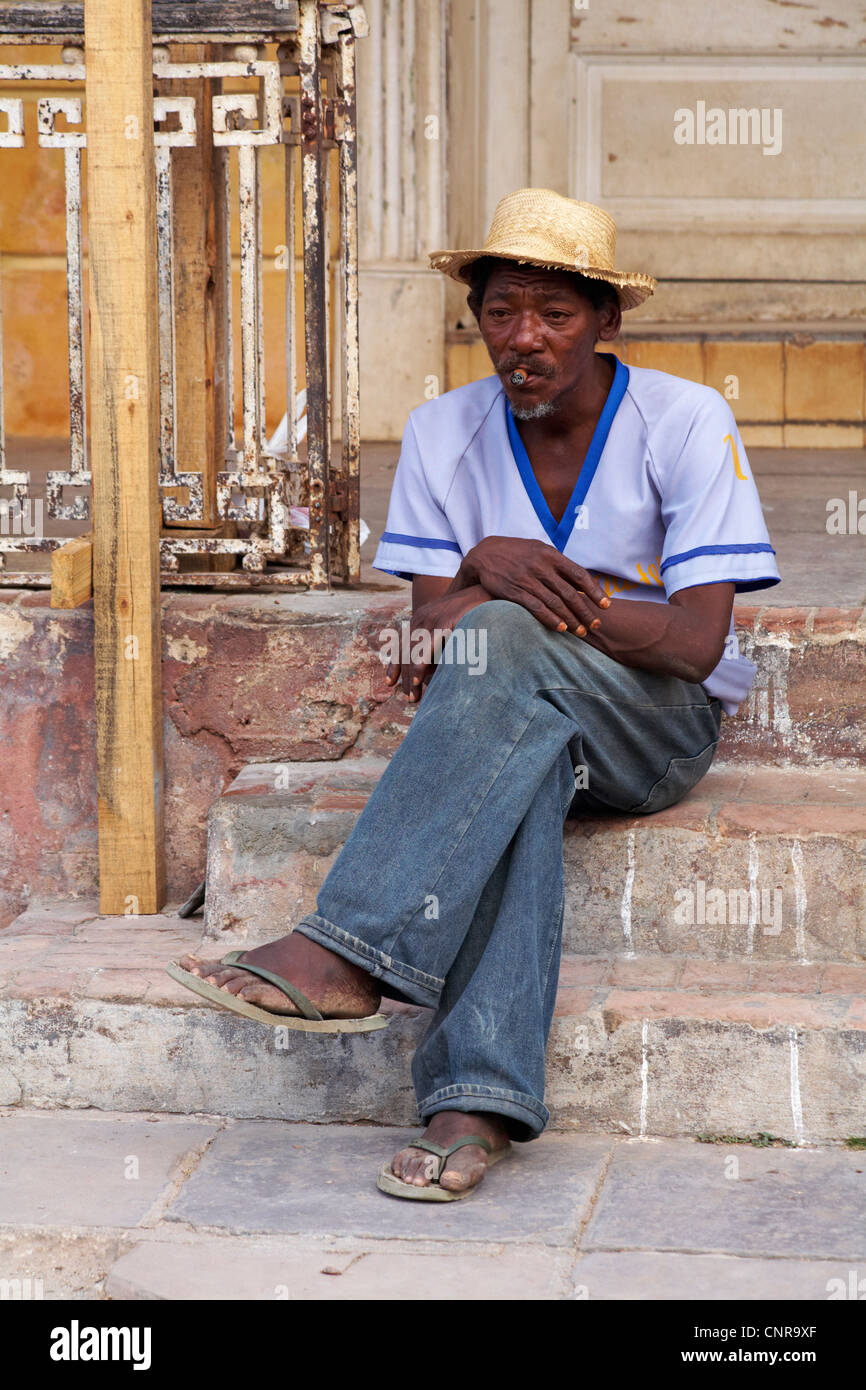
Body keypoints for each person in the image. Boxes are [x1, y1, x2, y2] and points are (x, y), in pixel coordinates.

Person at [173, 189, 780, 1201]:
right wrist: (484, 564)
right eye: (501, 312)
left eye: (555, 313)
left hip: (653, 726)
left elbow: (688, 641)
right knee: (512, 746)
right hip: (508, 713)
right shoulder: (439, 431)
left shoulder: (683, 418)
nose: (524, 338)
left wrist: (527, 600)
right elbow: (430, 641)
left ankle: (347, 948)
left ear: (606, 322)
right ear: (475, 320)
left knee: (502, 643)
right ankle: (473, 1102)